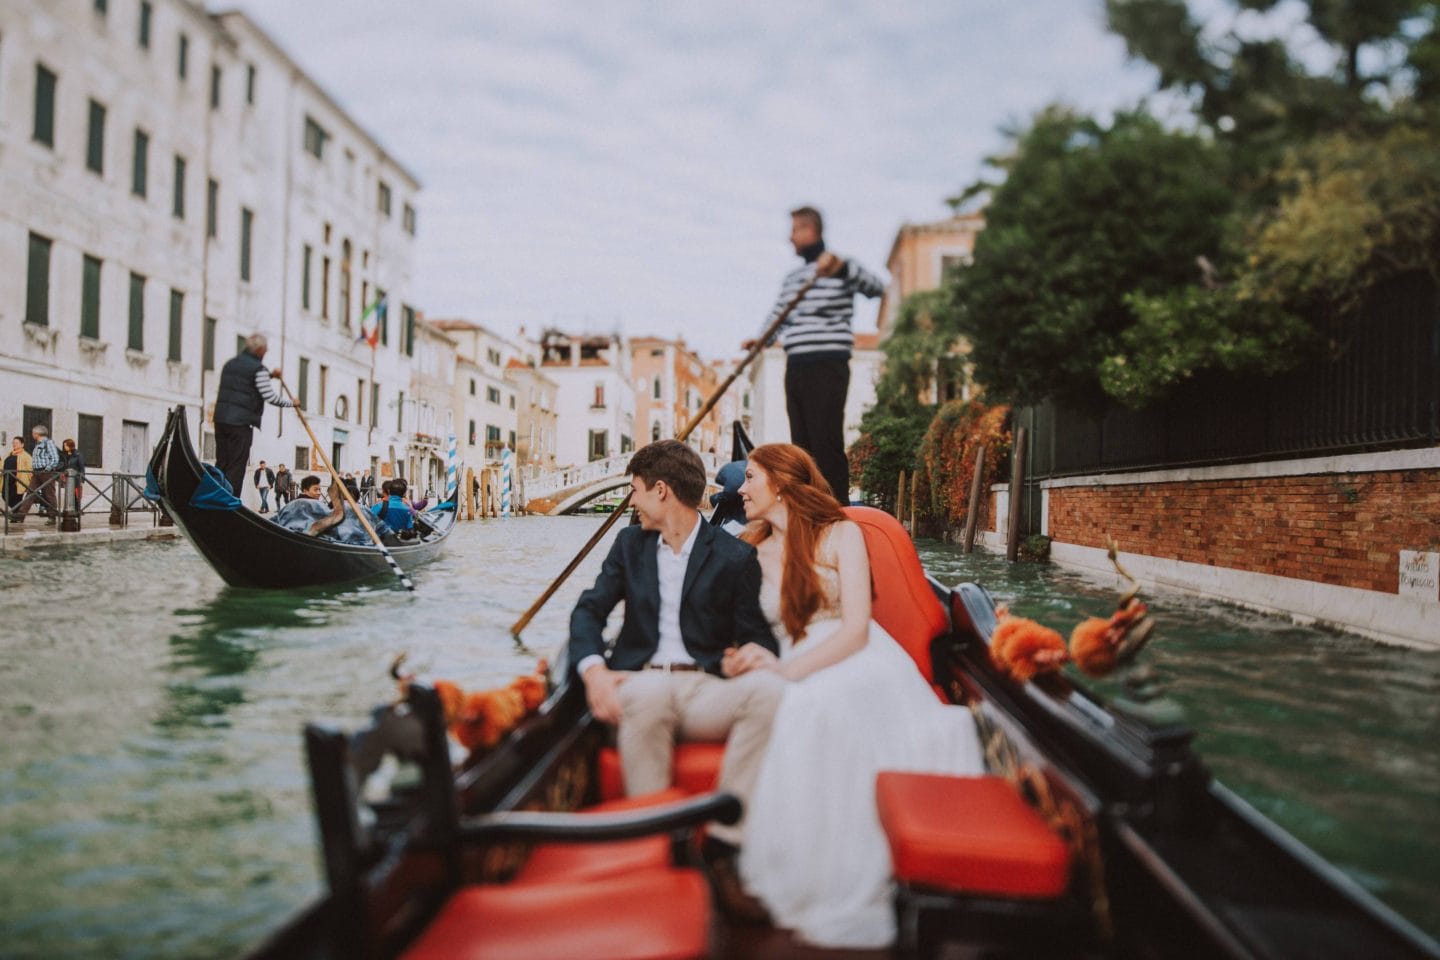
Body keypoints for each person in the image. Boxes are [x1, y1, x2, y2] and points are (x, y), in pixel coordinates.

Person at [730, 443, 983, 948]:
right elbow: (736, 623)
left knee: (818, 702)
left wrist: (789, 671)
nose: (740, 488)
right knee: (797, 706)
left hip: (856, 651)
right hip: (786, 652)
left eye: (751, 477)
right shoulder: (746, 549)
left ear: (780, 482)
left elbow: (856, 628)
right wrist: (747, 656)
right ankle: (811, 865)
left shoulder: (841, 533)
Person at [568, 439, 783, 921]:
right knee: (646, 694)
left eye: (635, 490)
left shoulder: (733, 556)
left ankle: (723, 847)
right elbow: (589, 611)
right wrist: (594, 671)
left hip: (704, 689)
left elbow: (758, 636)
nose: (633, 501)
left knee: (770, 691)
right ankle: (655, 850)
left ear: (661, 491)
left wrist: (749, 656)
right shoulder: (629, 545)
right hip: (642, 681)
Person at [743, 206, 883, 505]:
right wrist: (761, 340)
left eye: (795, 230)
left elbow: (875, 288)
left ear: (810, 230)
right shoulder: (794, 278)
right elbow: (779, 314)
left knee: (826, 441)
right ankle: (808, 509)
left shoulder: (842, 267)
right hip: (796, 365)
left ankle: (836, 509)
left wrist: (843, 269)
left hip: (828, 363)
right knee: (802, 446)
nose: (790, 237)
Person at [214, 334, 293, 498]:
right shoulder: (258, 369)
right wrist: (292, 403)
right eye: (265, 350)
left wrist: (270, 375)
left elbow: (244, 381)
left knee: (222, 463)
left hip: (221, 420)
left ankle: (215, 498)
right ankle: (228, 503)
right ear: (259, 350)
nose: (265, 353)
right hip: (240, 424)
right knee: (236, 466)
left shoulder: (231, 364)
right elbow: (269, 396)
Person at [272, 475, 389, 543]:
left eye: (319, 490)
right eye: (315, 490)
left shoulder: (319, 505)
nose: (319, 493)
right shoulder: (302, 504)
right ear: (305, 491)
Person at [15, 425, 61, 523]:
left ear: (37, 434)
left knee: (49, 494)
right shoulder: (37, 445)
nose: (32, 434)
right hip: (36, 472)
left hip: (46, 472)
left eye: (33, 433)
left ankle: (52, 517)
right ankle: (20, 515)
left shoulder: (48, 443)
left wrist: (47, 469)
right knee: (30, 493)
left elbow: (55, 458)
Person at [4, 437, 31, 518]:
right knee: (5, 495)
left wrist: (30, 479)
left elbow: (30, 468)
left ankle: (18, 515)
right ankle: (17, 513)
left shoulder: (26, 455)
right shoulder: (10, 453)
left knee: (16, 498)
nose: (14, 444)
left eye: (16, 443)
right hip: (7, 479)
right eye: (13, 443)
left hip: (18, 481)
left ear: (22, 444)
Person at [60, 438, 86, 514]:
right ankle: (69, 509)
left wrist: (82, 478)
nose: (64, 447)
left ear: (70, 446)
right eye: (64, 445)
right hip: (67, 478)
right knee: (69, 493)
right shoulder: (64, 455)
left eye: (66, 445)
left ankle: (78, 510)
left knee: (76, 494)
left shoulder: (78, 455)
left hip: (76, 477)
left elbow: (82, 467)